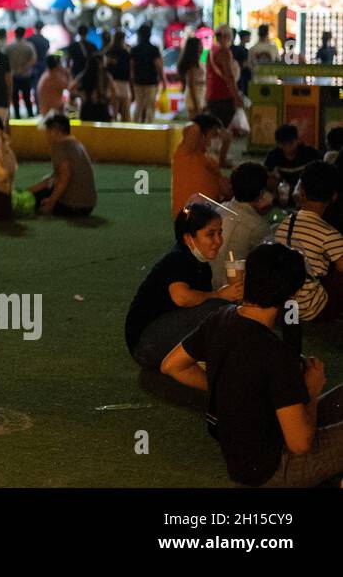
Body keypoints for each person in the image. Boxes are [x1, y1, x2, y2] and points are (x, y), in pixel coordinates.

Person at [161, 242, 343, 487]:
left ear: (247, 277)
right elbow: (300, 445)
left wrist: (228, 389)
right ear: (292, 294)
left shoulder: (221, 319)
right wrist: (310, 393)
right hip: (275, 470)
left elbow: (172, 365)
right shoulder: (276, 354)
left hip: (243, 463)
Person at [125, 202, 237, 369]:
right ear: (188, 238)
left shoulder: (201, 265)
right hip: (146, 344)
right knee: (218, 308)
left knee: (220, 309)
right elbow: (182, 298)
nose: (218, 241)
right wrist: (220, 295)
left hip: (160, 336)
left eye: (219, 233)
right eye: (210, 234)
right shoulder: (177, 259)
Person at [272, 162, 343, 326]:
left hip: (286, 302)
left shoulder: (286, 223)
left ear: (301, 192)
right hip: (312, 309)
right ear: (334, 196)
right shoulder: (330, 234)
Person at [217, 163, 275, 286]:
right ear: (261, 193)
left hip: (208, 285)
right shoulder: (258, 227)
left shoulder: (218, 210)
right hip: (233, 291)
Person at [29, 113, 97, 217]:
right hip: (88, 206)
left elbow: (64, 176)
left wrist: (51, 202)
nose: (46, 136)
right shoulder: (76, 144)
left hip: (72, 207)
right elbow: (54, 179)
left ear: (55, 132)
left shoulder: (59, 145)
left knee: (35, 198)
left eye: (48, 131)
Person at [170, 113, 231, 219]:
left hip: (209, 211)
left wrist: (226, 142)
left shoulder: (210, 160)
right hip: (189, 213)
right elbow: (194, 128)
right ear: (201, 135)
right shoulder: (185, 153)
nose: (217, 138)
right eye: (214, 134)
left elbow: (226, 192)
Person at [205, 26, 241, 153]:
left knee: (216, 128)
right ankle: (219, 159)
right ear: (226, 36)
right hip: (224, 96)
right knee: (223, 130)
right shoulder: (224, 52)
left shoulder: (211, 50)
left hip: (212, 95)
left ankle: (215, 158)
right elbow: (230, 76)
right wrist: (237, 96)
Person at [264, 123, 321, 193]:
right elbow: (267, 174)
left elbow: (321, 171)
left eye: (291, 143)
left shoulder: (309, 152)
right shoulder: (273, 155)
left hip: (305, 188)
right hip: (284, 188)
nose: (288, 147)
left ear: (297, 140)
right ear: (278, 144)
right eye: (283, 144)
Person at [130, 23, 165, 123]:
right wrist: (163, 80)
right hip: (151, 81)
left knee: (139, 106)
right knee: (150, 106)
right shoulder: (154, 49)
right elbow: (158, 66)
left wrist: (132, 81)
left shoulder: (134, 49)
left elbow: (131, 68)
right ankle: (150, 127)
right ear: (150, 35)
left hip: (138, 81)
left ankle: (135, 127)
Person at [71, 53, 113, 122]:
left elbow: (71, 88)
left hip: (86, 108)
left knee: (86, 131)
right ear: (100, 62)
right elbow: (114, 91)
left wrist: (80, 94)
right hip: (102, 108)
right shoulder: (105, 75)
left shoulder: (84, 75)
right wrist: (110, 100)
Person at [6, 28, 37, 118]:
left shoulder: (9, 47)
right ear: (24, 34)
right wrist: (24, 68)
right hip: (25, 75)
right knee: (27, 96)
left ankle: (17, 115)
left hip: (13, 75)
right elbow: (33, 60)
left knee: (14, 97)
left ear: (15, 34)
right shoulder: (29, 46)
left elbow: (4, 60)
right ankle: (30, 114)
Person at [103, 29, 133, 121]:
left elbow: (105, 68)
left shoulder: (109, 51)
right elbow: (130, 69)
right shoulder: (126, 52)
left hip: (112, 82)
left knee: (114, 111)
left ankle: (113, 129)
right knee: (126, 111)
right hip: (123, 83)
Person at [176, 36, 206, 121]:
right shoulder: (192, 65)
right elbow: (191, 85)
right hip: (195, 95)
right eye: (200, 45)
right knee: (196, 122)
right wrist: (196, 104)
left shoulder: (199, 62)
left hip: (200, 93)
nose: (202, 47)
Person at [233, 29, 253, 96]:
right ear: (244, 37)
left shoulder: (238, 49)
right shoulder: (243, 50)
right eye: (249, 36)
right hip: (243, 76)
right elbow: (245, 63)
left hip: (240, 76)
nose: (250, 38)